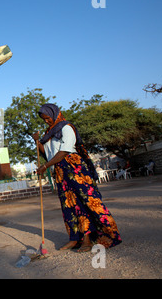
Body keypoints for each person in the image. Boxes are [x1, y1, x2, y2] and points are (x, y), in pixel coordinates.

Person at [33, 103, 122, 252]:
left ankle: (89, 239)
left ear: (54, 114)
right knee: (69, 205)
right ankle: (75, 239)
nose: (46, 121)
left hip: (75, 169)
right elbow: (47, 154)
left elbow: (65, 151)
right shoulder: (48, 133)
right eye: (44, 120)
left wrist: (45, 167)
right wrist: (37, 141)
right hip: (60, 172)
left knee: (85, 202)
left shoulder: (66, 127)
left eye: (48, 118)